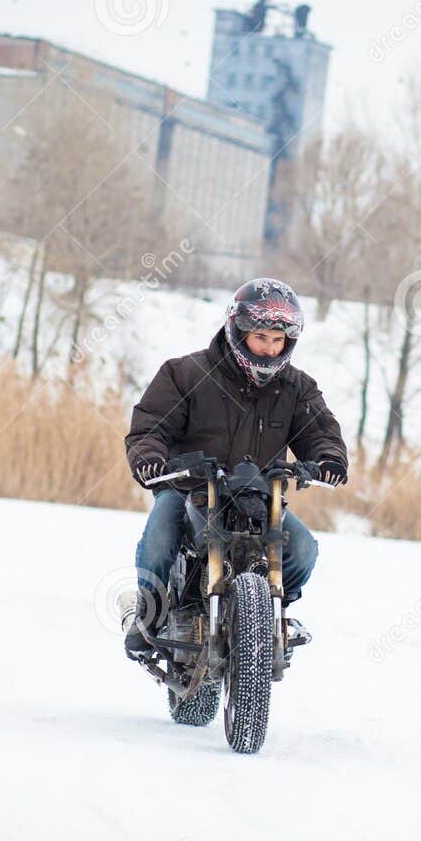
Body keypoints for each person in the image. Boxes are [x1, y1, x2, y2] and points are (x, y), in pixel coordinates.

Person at [122, 278, 349, 658]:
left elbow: (320, 433)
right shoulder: (185, 373)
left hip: (259, 496)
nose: (270, 349)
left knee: (303, 549)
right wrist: (150, 458)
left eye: (278, 341)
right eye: (261, 338)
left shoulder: (297, 388)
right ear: (237, 330)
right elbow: (151, 427)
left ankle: (274, 614)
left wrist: (328, 460)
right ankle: (150, 611)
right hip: (189, 487)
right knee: (160, 539)